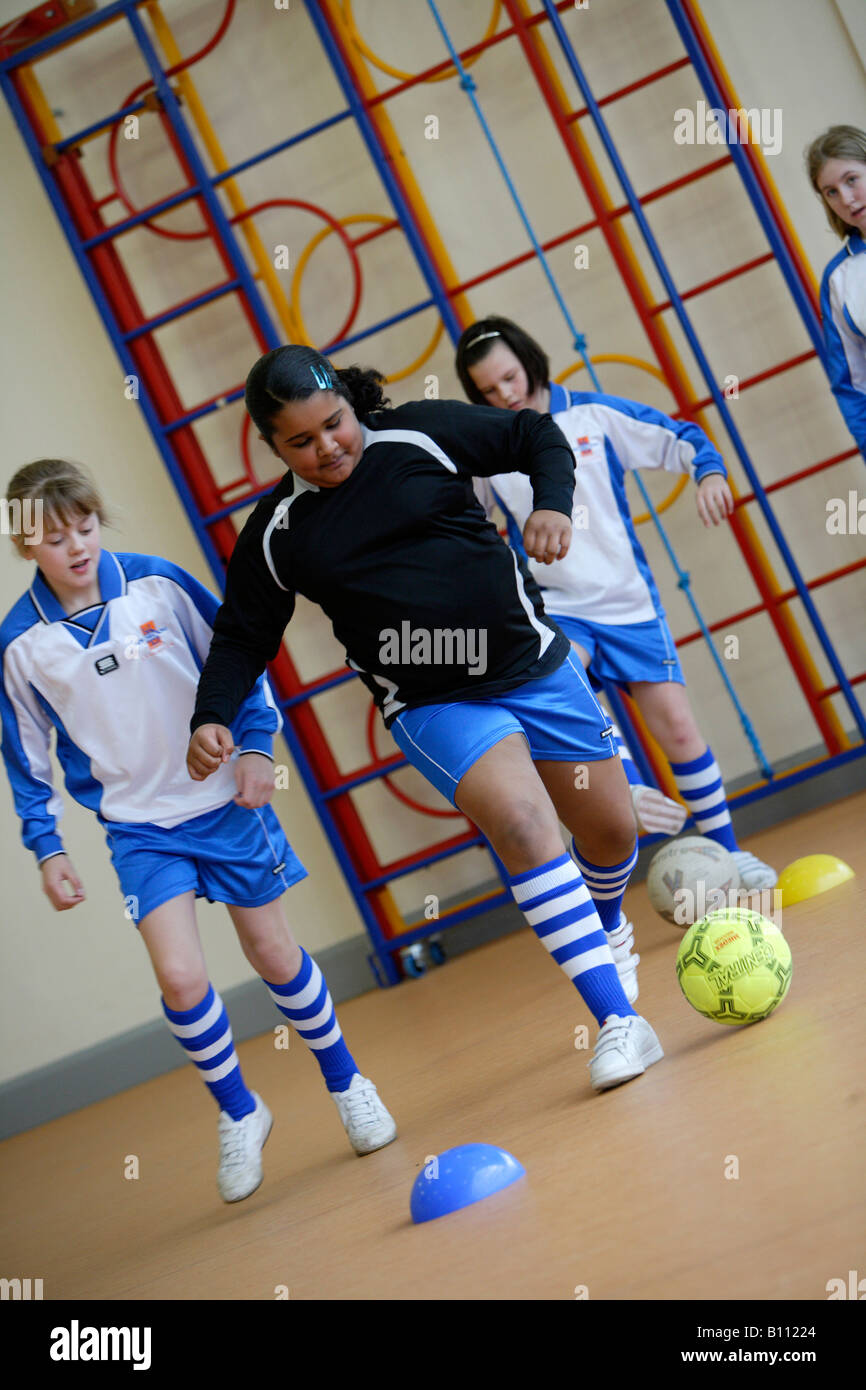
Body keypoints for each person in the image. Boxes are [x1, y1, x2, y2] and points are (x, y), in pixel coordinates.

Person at [187, 344, 664, 1094]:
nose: (327, 448)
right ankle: (617, 1021)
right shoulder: (279, 531)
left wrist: (549, 504)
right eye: (300, 443)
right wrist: (211, 714)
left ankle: (607, 924)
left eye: (335, 425)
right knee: (521, 823)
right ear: (271, 446)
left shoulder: (419, 433)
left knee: (610, 831)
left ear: (350, 404)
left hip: (532, 666)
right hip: (432, 703)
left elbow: (535, 435)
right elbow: (244, 633)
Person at [0, 459, 396, 1205]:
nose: (77, 546)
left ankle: (348, 1085)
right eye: (55, 538)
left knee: (274, 953)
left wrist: (254, 747)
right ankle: (241, 1112)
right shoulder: (21, 647)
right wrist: (46, 849)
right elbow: (27, 760)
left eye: (84, 527)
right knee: (180, 977)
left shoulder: (159, 583)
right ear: (27, 547)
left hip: (224, 806)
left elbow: (240, 656)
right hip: (140, 832)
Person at [455, 316, 777, 893]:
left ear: (530, 359)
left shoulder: (595, 416)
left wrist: (708, 473)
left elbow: (682, 438)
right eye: (488, 390)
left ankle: (732, 854)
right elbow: (461, 524)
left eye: (509, 377)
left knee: (678, 728)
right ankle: (625, 784)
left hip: (629, 606)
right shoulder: (487, 452)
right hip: (557, 609)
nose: (504, 393)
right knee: (570, 697)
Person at [805, 124, 866, 459]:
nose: (846, 199)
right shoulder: (837, 280)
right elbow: (852, 385)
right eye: (831, 191)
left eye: (851, 179)